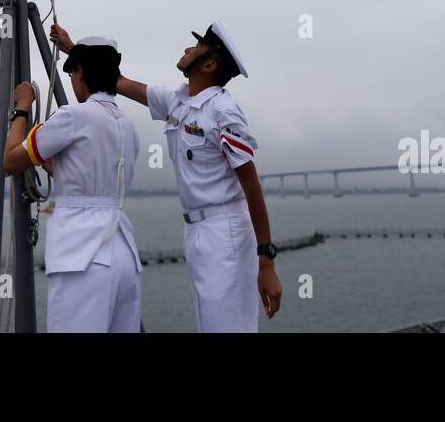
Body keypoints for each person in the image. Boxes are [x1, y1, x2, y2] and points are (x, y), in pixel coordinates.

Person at [52, 21, 283, 332]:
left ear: (210, 64)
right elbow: (116, 81)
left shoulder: (223, 112)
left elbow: (251, 186)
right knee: (210, 324)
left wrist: (265, 259)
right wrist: (75, 51)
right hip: (196, 231)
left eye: (197, 47)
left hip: (225, 231)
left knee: (228, 327)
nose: (188, 49)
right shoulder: (178, 102)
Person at [2, 36, 142, 333]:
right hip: (124, 253)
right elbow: (89, 175)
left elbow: (11, 161)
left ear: (80, 72)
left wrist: (23, 107)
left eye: (71, 74)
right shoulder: (127, 125)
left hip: (83, 254)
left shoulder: (73, 116)